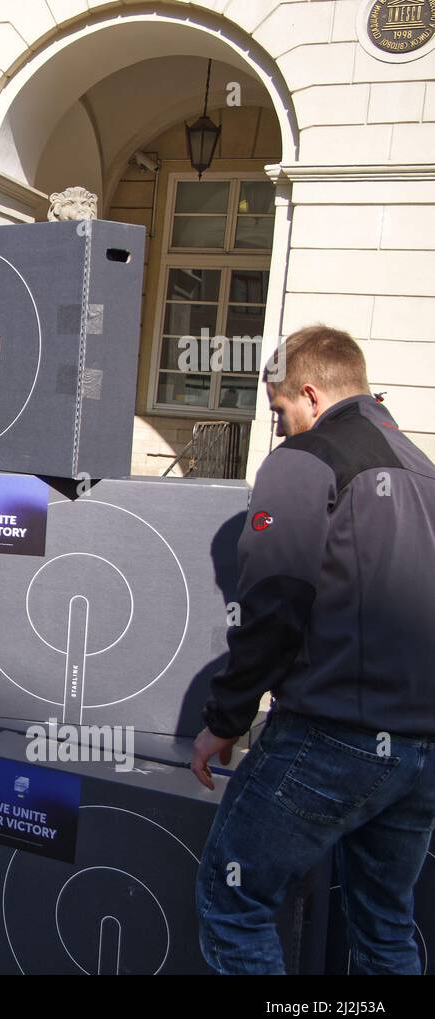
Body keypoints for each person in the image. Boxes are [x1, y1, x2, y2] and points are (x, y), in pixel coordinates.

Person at [192, 324, 435, 974]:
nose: (278, 430)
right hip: (421, 750)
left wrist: (224, 719)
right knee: (385, 927)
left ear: (309, 393)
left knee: (232, 899)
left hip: (333, 736)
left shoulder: (307, 458)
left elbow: (273, 601)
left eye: (278, 412)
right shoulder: (423, 469)